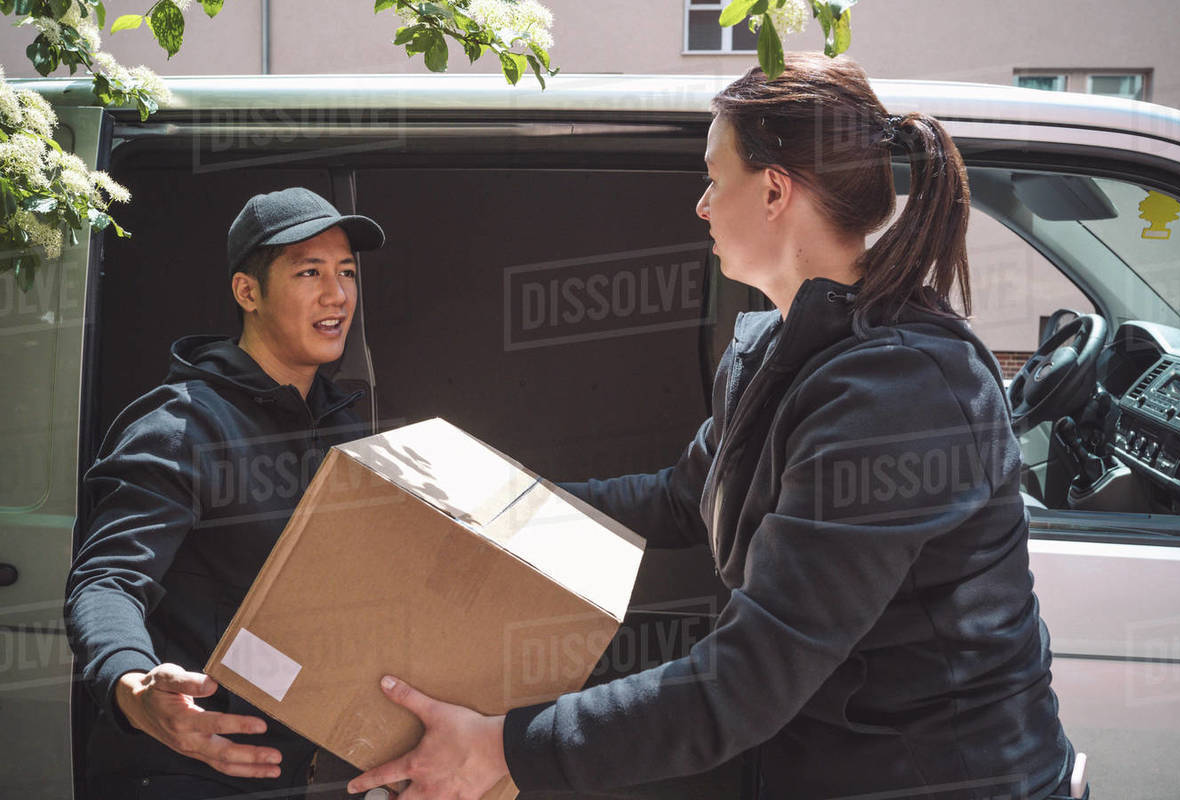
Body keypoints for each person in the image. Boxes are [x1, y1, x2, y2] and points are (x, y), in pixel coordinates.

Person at [347, 54, 1086, 800]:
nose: (701, 205)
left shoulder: (902, 394)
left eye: (713, 177)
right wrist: (497, 509)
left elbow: (746, 682)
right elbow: (681, 498)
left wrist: (505, 749)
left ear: (773, 191)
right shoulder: (777, 349)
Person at [65, 187, 385, 799]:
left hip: (291, 766)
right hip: (179, 765)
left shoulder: (340, 424)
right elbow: (105, 580)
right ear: (248, 292)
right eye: (309, 271)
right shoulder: (183, 425)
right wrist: (131, 684)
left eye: (347, 272)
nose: (336, 294)